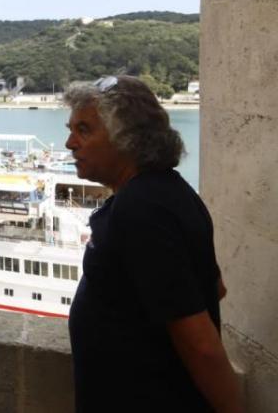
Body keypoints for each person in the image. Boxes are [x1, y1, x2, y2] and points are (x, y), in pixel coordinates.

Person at [64, 76, 243, 412]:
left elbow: (200, 344)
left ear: (127, 138)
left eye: (84, 130)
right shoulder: (171, 191)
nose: (70, 143)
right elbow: (214, 286)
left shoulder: (141, 209)